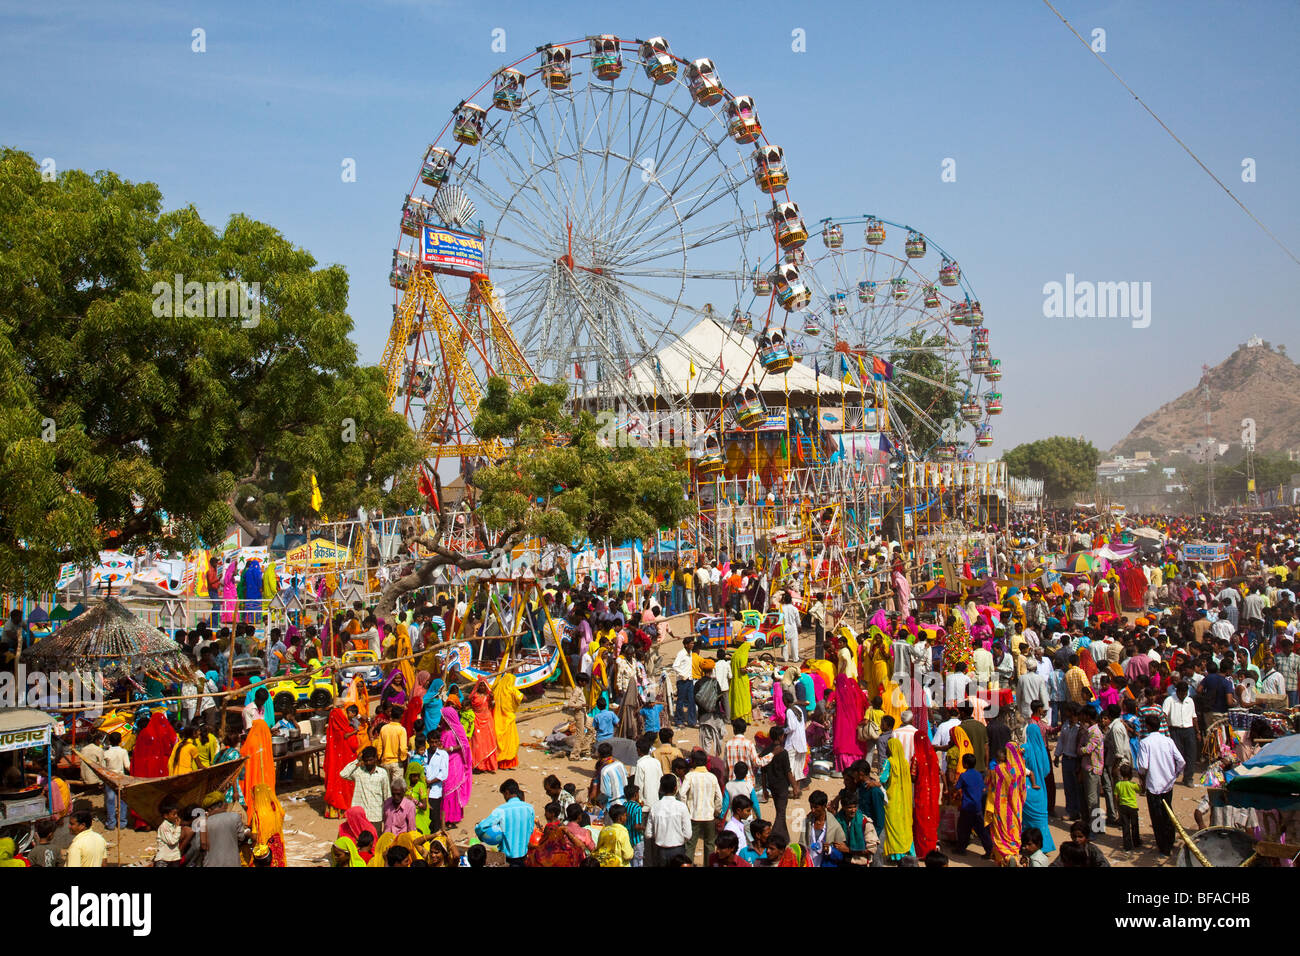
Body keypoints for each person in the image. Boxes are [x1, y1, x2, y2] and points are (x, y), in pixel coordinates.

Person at [1136, 713, 1184, 855]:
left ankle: (1163, 847)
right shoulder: (1168, 741)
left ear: (1148, 727)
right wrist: (1175, 775)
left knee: (1157, 818)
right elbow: (1181, 761)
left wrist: (1142, 777)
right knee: (1168, 813)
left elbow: (1143, 766)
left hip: (1153, 786)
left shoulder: (1145, 743)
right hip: (1168, 784)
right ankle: (1170, 842)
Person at [477, 779, 536, 866]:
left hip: (507, 858)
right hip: (523, 856)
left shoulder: (501, 810)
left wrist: (480, 834)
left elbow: (482, 827)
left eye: (504, 795)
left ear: (507, 792)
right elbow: (531, 830)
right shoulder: (529, 808)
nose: (504, 798)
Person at [681, 748, 723, 863]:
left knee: (690, 846)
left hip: (693, 816)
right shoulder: (712, 777)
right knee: (709, 845)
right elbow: (719, 798)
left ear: (693, 762)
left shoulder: (690, 776)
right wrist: (716, 812)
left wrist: (686, 809)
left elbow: (682, 794)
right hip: (709, 816)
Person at [340, 746, 391, 830]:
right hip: (360, 815)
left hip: (376, 815)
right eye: (366, 760)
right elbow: (343, 774)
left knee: (375, 840)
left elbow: (387, 795)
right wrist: (357, 760)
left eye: (370, 760)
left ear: (375, 759)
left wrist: (387, 815)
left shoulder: (382, 773)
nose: (368, 763)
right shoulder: (358, 772)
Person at [645, 773, 691, 867]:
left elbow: (648, 834)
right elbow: (688, 834)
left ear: (661, 789)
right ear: (675, 788)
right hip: (678, 850)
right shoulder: (682, 807)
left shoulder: (655, 807)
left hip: (660, 851)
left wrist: (659, 835)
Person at [953, 753, 992, 858]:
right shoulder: (979, 775)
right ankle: (989, 850)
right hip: (977, 807)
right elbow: (983, 788)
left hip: (967, 807)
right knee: (981, 830)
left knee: (963, 829)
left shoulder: (964, 775)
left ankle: (961, 848)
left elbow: (957, 787)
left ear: (965, 764)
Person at [1163, 681, 1198, 786]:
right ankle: (1172, 776)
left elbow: (1194, 717)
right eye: (1181, 693)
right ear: (1177, 691)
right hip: (1174, 730)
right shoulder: (1169, 700)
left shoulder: (1190, 701)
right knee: (1176, 755)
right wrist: (1165, 731)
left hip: (1189, 730)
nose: (1183, 695)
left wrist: (1198, 731)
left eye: (1185, 693)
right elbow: (1164, 715)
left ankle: (1188, 778)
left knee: (1191, 755)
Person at [202, 795, 247, 867]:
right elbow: (241, 837)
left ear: (209, 809)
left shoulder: (203, 823)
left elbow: (201, 845)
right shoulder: (235, 816)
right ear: (222, 805)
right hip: (232, 863)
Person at [99, 731, 131, 830]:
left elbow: (102, 768)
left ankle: (111, 823)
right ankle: (122, 823)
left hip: (110, 778)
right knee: (122, 800)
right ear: (120, 741)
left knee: (110, 800)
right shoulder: (123, 752)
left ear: (109, 741)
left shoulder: (106, 753)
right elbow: (127, 766)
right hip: (121, 778)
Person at [467, 679, 499, 772]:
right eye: (480, 685)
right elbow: (468, 706)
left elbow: (492, 707)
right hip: (477, 720)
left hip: (487, 721)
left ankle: (488, 766)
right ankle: (478, 765)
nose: (482, 687)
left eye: (483, 685)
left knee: (488, 742)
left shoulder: (489, 696)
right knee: (477, 743)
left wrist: (492, 699)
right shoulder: (474, 696)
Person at [595, 802, 634, 867]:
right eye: (625, 815)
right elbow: (628, 855)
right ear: (621, 818)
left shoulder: (604, 830)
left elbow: (599, 849)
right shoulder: (622, 832)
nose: (626, 817)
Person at [1114, 764, 1143, 851]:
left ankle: (1127, 845)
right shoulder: (1133, 785)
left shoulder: (1118, 784)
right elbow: (1140, 790)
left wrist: (1118, 805)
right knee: (1134, 825)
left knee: (1125, 826)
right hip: (1133, 807)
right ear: (1130, 774)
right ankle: (1136, 842)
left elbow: (1116, 796)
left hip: (1123, 807)